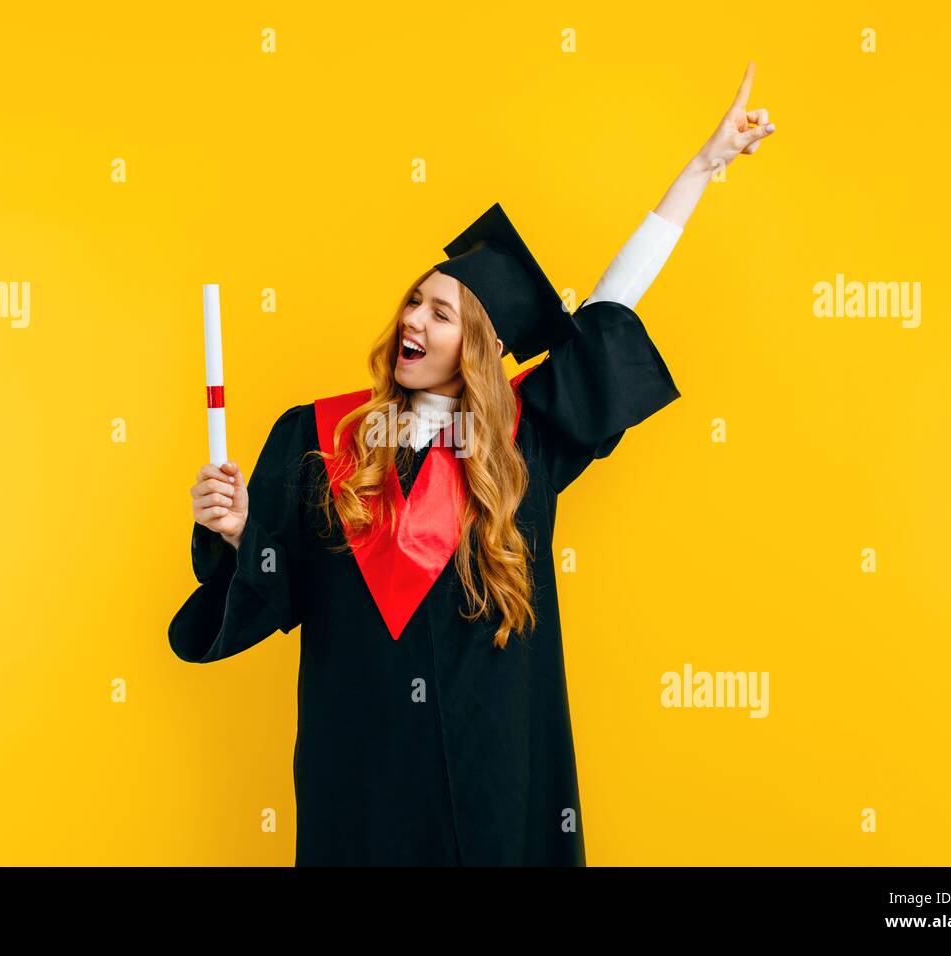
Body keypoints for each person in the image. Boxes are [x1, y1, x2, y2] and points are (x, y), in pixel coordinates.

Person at [169, 64, 776, 865]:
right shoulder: (319, 440)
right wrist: (240, 531)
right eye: (414, 301)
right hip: (360, 766)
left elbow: (607, 313)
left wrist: (698, 173)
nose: (414, 318)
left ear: (480, 348)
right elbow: (271, 593)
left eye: (442, 311)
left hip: (495, 766)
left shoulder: (523, 443)